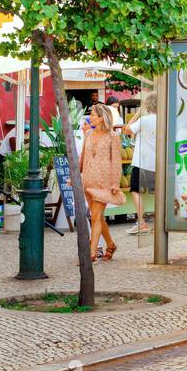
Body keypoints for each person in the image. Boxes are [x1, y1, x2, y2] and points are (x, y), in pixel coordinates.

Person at [80, 103, 123, 262]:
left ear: (101, 117)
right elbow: (83, 158)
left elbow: (116, 162)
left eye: (93, 115)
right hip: (89, 181)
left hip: (104, 183)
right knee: (97, 217)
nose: (90, 117)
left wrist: (115, 183)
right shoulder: (89, 135)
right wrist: (76, 176)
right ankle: (110, 244)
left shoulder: (113, 136)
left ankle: (90, 254)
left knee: (96, 216)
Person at [124, 92, 156, 235]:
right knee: (157, 193)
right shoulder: (165, 120)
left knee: (135, 190)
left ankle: (141, 222)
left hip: (142, 161)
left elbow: (127, 130)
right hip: (158, 162)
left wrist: (136, 115)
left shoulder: (145, 120)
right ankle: (158, 223)